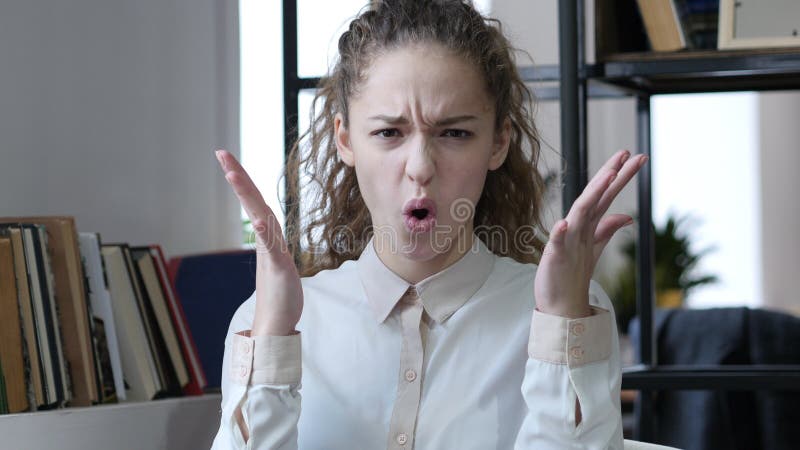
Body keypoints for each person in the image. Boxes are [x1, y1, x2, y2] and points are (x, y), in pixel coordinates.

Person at [211, 1, 646, 448]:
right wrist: (271, 341)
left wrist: (560, 325)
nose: (420, 167)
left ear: (498, 141)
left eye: (454, 133)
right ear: (345, 139)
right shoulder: (269, 320)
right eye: (388, 133)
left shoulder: (572, 309)